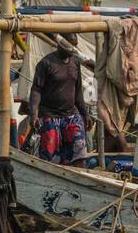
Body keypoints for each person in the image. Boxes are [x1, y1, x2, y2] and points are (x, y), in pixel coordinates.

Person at [27, 34, 93, 166]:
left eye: (75, 46)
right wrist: (34, 114)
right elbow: (36, 90)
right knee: (51, 157)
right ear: (60, 44)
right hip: (49, 115)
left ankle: (77, 180)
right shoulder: (46, 63)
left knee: (79, 154)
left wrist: (85, 114)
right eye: (70, 46)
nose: (72, 49)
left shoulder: (75, 62)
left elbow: (78, 91)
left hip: (71, 115)